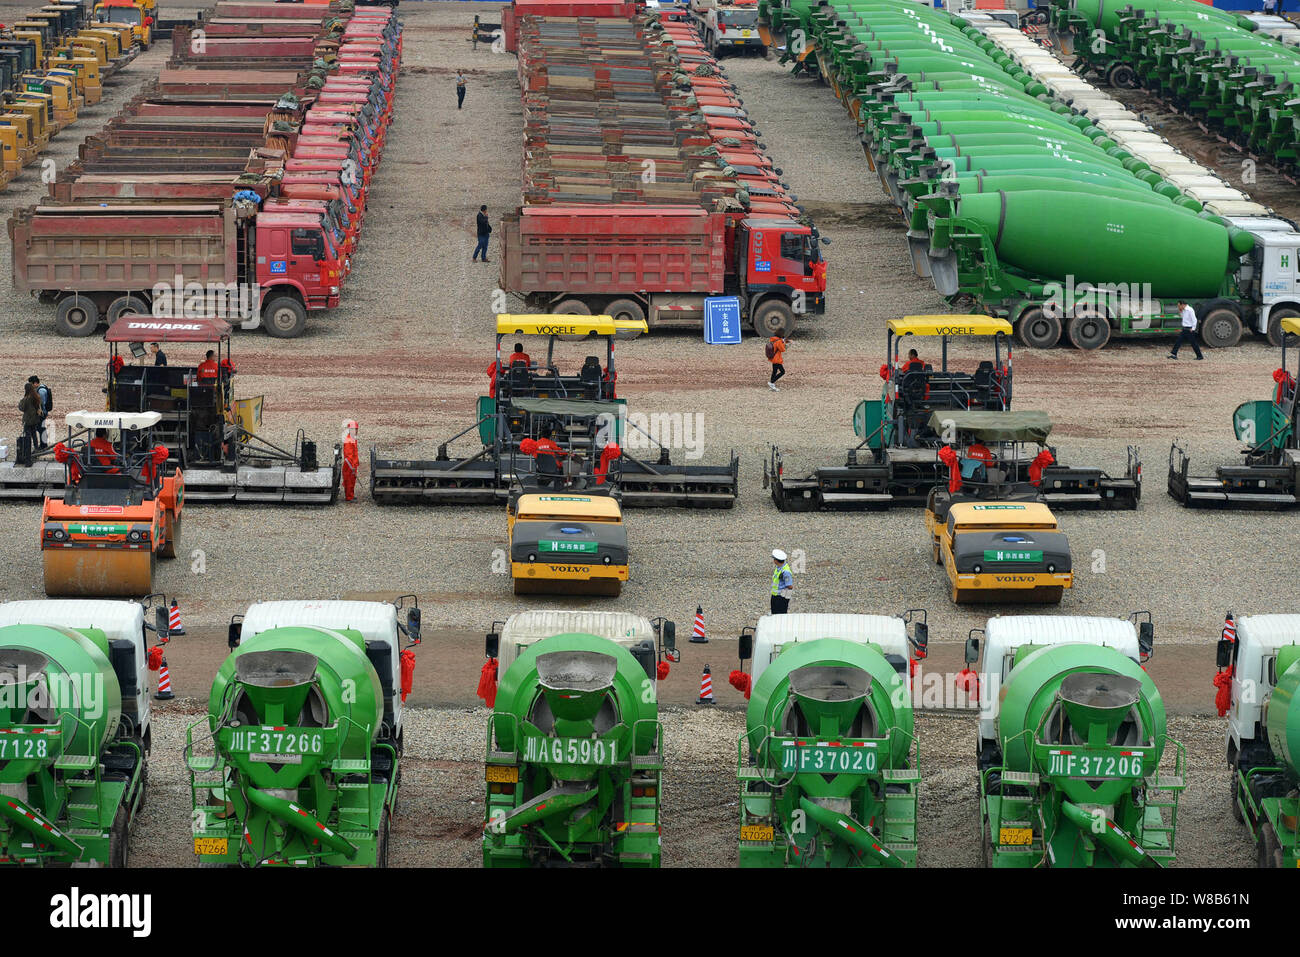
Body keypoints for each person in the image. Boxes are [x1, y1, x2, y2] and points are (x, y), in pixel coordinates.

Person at [27, 375, 51, 449]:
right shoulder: (42, 387)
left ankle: (43, 445)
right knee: (41, 428)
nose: (31, 386)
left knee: (41, 428)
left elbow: (42, 403)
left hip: (41, 413)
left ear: (35, 383)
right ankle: (44, 444)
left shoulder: (41, 391)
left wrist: (39, 412)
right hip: (43, 412)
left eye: (31, 384)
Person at [19, 382, 42, 453]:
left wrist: (20, 402)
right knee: (34, 434)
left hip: (28, 420)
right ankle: (36, 448)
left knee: (28, 436)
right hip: (35, 419)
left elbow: (22, 408)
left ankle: (28, 451)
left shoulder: (26, 398)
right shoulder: (36, 396)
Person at [770, 548, 794, 614]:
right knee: (774, 614)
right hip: (775, 595)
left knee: (780, 615)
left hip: (781, 597)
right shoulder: (778, 568)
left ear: (776, 561)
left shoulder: (785, 572)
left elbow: (789, 586)